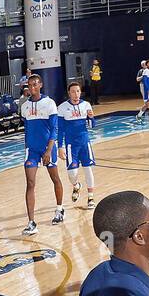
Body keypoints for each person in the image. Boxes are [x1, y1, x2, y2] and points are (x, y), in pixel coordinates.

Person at [19, 73, 65, 233]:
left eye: (34, 84)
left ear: (40, 85)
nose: (32, 87)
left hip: (48, 148)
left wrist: (49, 150)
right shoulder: (24, 107)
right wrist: (27, 147)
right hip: (31, 150)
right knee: (30, 183)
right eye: (29, 85)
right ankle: (31, 222)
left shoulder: (49, 103)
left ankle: (60, 209)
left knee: (55, 179)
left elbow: (54, 129)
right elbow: (27, 129)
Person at [57, 80, 97, 209]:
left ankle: (90, 197)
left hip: (84, 143)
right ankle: (76, 185)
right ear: (69, 93)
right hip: (70, 145)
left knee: (88, 169)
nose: (76, 94)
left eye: (78, 91)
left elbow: (92, 126)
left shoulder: (86, 105)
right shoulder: (62, 108)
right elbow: (60, 129)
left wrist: (91, 118)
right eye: (73, 92)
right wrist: (60, 147)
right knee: (72, 173)